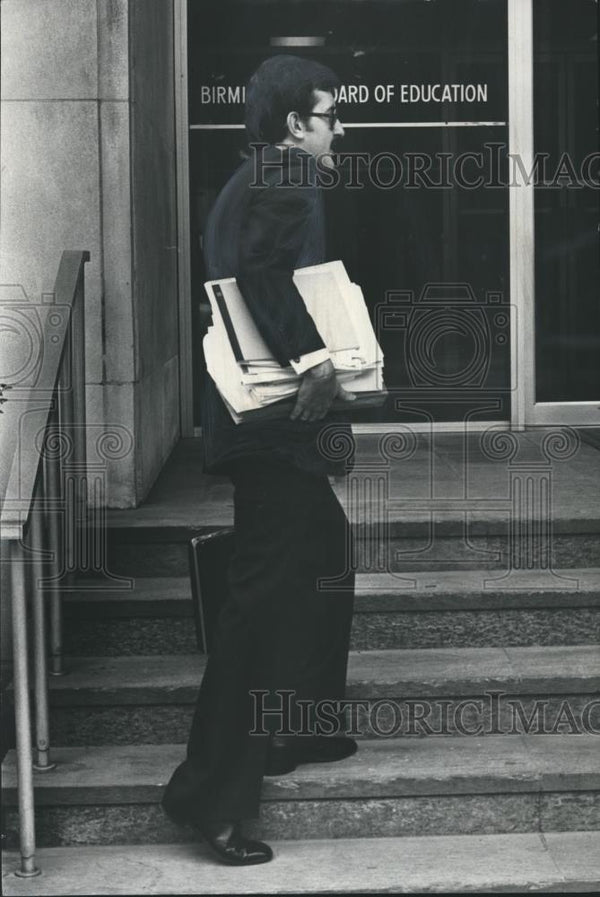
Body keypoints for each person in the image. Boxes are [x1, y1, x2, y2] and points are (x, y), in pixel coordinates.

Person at [162, 55, 356, 866]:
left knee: (325, 554)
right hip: (272, 427)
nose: (338, 129)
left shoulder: (250, 178)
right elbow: (263, 274)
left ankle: (298, 727)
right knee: (257, 606)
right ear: (293, 126)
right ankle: (209, 796)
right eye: (329, 114)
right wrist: (314, 359)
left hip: (260, 427)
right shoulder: (284, 174)